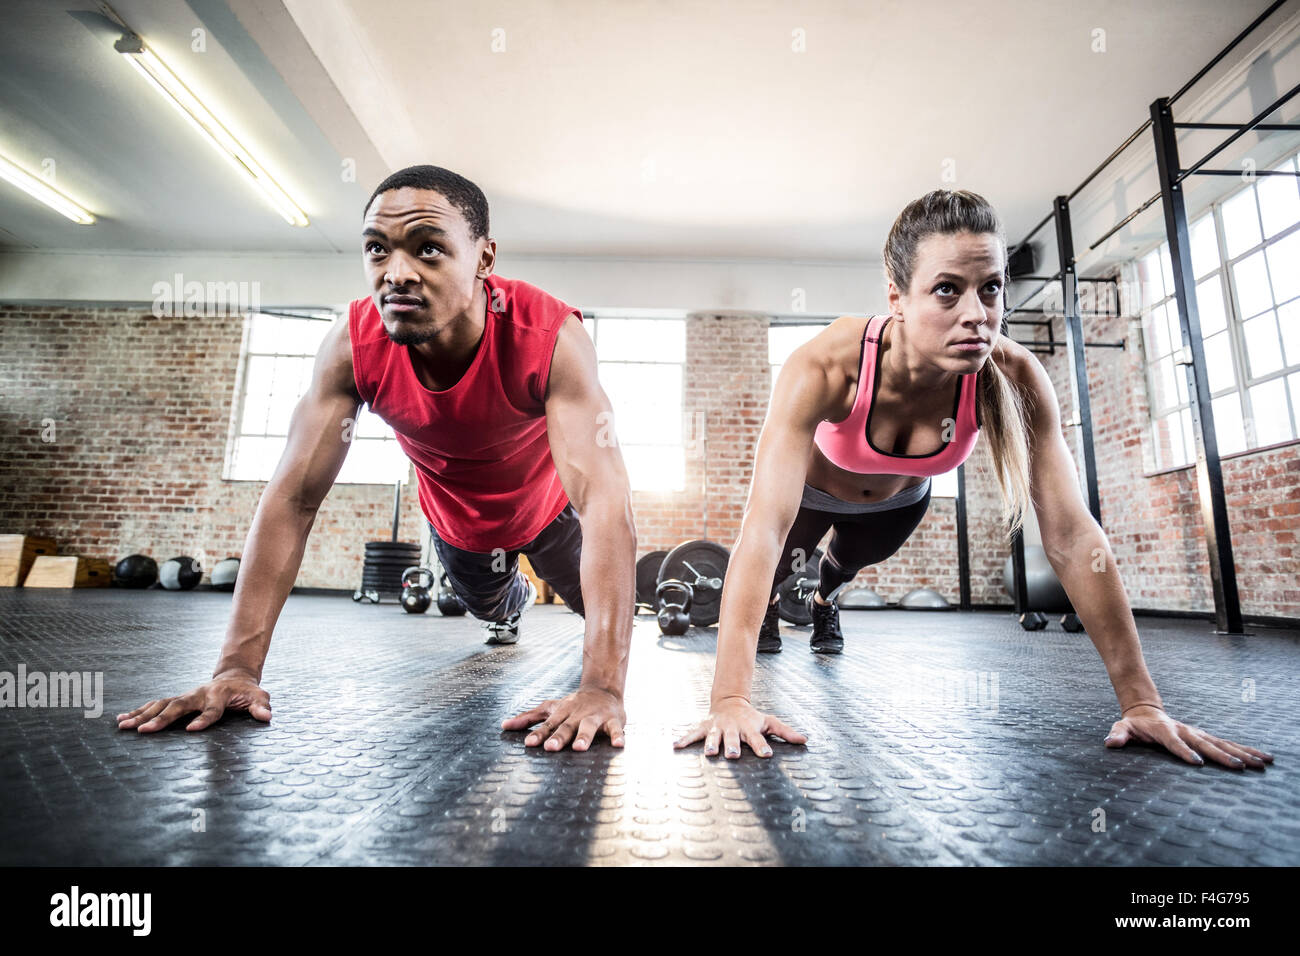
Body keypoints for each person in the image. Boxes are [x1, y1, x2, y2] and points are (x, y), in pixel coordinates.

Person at [675, 189, 1274, 771]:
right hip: (812, 496)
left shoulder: (1014, 374)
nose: (976, 315)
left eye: (991, 289)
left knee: (844, 567)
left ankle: (825, 600)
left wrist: (1142, 703)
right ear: (897, 299)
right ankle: (782, 607)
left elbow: (1070, 535)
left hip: (897, 503)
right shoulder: (827, 364)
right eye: (946, 290)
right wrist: (730, 701)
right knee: (783, 566)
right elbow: (763, 528)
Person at [117, 165, 635, 752]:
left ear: (484, 259)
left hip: (551, 514)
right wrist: (235, 670)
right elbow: (293, 498)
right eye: (376, 249)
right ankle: (509, 599)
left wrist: (602, 687)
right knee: (490, 604)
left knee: (607, 608)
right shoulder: (352, 345)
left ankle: (537, 590)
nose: (397, 274)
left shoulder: (548, 335)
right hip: (461, 527)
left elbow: (605, 500)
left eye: (429, 249)